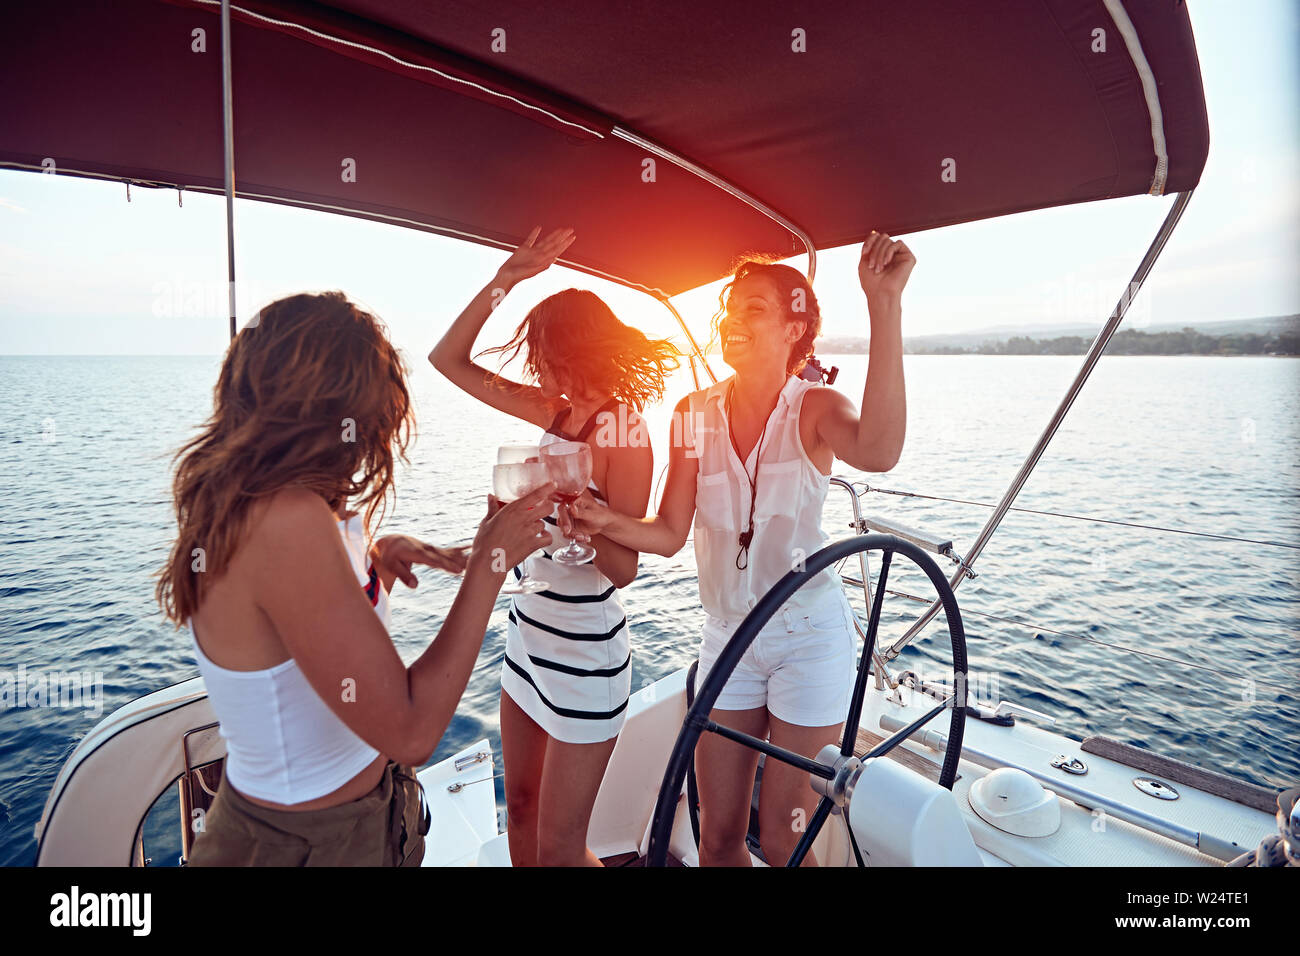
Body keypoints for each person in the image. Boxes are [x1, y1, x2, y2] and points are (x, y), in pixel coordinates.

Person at [156, 291, 552, 866]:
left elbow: (303, 646)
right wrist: (492, 563)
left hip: (345, 825)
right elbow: (412, 732)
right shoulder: (283, 520)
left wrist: (379, 561)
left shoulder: (277, 504)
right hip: (304, 845)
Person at [566, 231, 914, 866]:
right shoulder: (693, 413)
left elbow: (882, 450)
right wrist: (601, 517)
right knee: (717, 836)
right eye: (729, 308)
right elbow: (669, 534)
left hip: (807, 638)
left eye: (754, 308)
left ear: (794, 327)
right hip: (727, 635)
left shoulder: (816, 409)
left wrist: (883, 303)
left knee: (783, 838)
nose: (733, 319)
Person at [430, 227, 677, 866]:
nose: (535, 364)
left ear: (575, 347)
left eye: (543, 349)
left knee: (564, 846)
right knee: (521, 811)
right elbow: (446, 361)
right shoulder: (555, 411)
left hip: (587, 656)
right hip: (527, 634)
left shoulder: (624, 430)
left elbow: (624, 570)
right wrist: (506, 279)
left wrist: (588, 524)